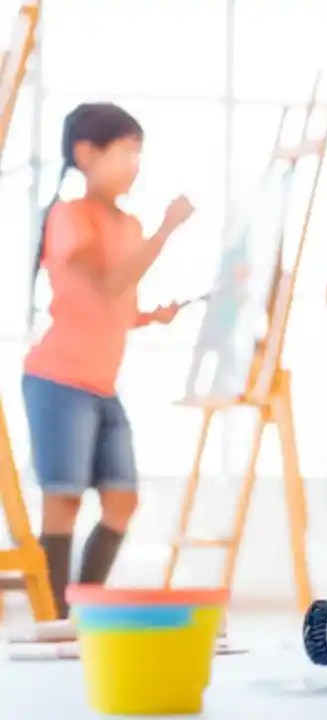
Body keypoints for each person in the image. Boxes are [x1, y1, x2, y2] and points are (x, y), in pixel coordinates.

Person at [23, 102, 194, 618]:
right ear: (86, 154)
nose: (134, 165)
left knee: (122, 500)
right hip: (58, 380)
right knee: (65, 499)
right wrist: (166, 230)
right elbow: (105, 284)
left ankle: (81, 604)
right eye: (125, 152)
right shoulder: (71, 215)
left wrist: (147, 317)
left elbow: (112, 304)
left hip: (101, 383)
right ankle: (52, 615)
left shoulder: (128, 223)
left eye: (138, 153)